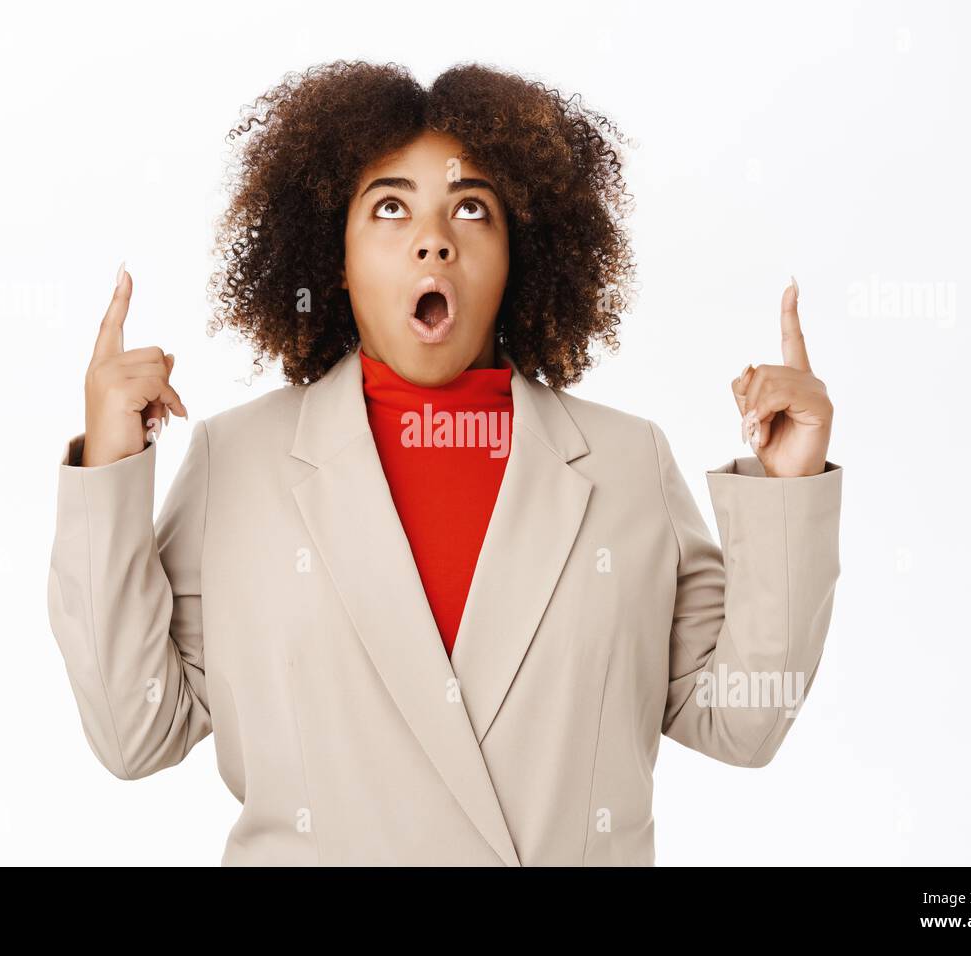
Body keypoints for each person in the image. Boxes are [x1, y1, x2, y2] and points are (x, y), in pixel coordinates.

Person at [47, 61, 841, 866]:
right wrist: (111, 466)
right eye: (390, 207)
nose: (434, 237)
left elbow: (743, 723)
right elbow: (133, 731)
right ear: (337, 255)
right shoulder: (237, 463)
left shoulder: (627, 463)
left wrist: (792, 487)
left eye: (471, 209)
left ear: (518, 255)